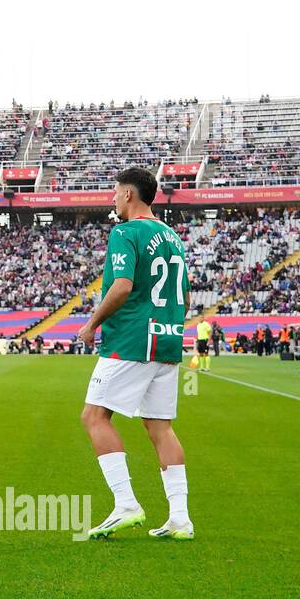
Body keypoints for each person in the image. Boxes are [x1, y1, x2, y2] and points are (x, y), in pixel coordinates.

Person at [76, 167, 193, 541]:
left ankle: (125, 503)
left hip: (130, 340)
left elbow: (122, 286)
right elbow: (186, 297)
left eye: (114, 192)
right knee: (159, 426)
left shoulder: (125, 233)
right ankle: (180, 519)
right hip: (168, 339)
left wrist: (92, 323)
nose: (112, 198)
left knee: (94, 416)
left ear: (129, 194)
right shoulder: (173, 237)